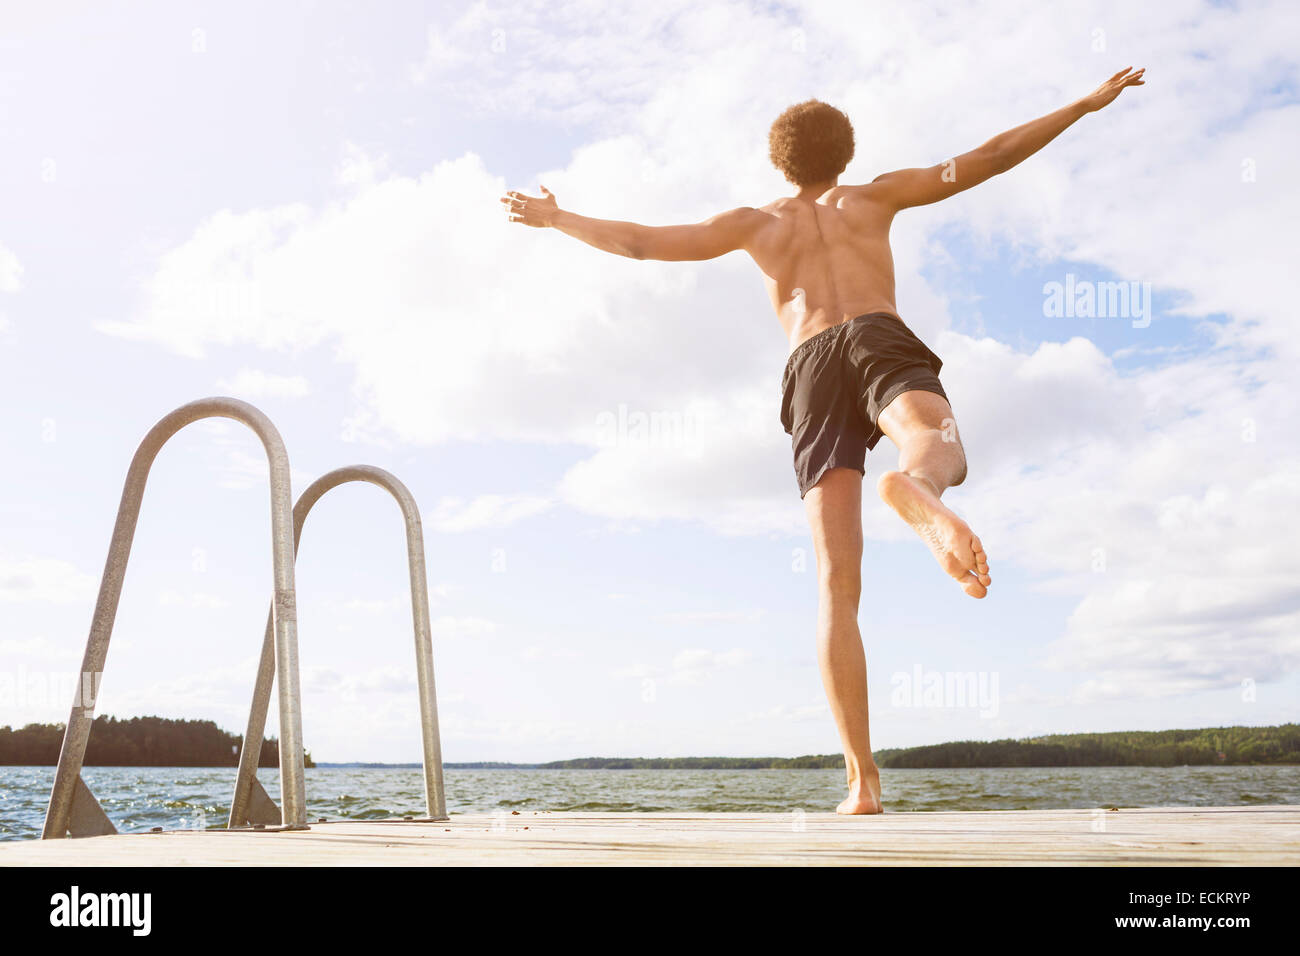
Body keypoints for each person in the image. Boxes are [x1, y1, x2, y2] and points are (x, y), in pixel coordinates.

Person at [502, 67, 1146, 813]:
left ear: (782, 162)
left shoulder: (756, 223)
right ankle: (920, 487)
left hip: (807, 367)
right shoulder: (874, 196)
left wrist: (559, 219)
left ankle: (861, 784)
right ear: (844, 154)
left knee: (836, 587)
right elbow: (993, 156)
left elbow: (647, 244)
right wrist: (1083, 104)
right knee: (937, 447)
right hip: (876, 333)